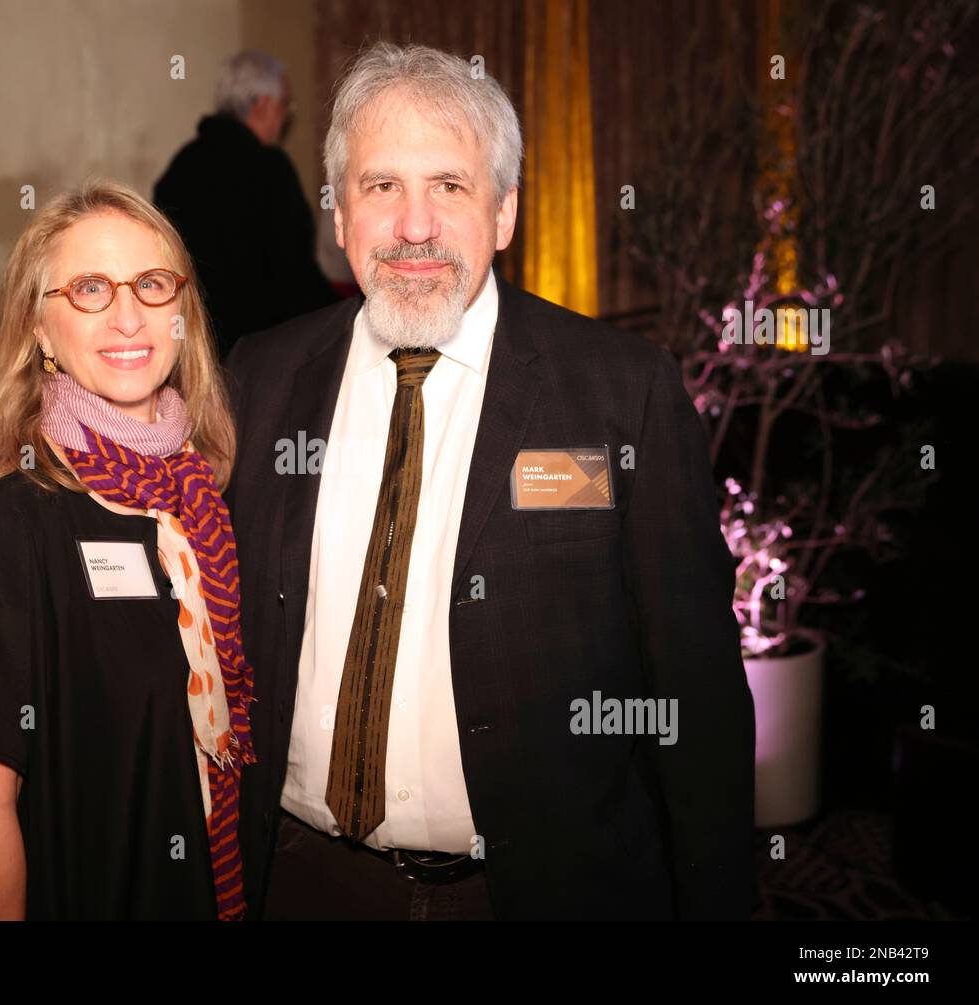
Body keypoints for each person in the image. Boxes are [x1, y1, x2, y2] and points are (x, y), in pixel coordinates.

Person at [224, 43, 755, 920]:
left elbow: (692, 694)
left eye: (450, 187)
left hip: (537, 894)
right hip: (302, 884)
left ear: (505, 212)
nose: (415, 225)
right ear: (341, 211)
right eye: (381, 186)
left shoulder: (622, 393)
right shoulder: (260, 377)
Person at [0, 180, 257, 920]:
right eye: (88, 289)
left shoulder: (207, 499)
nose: (128, 315)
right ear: (39, 330)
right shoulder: (18, 519)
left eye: (150, 283)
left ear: (182, 313)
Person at [154, 50, 337, 361]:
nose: (284, 117)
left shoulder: (180, 167)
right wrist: (341, 315)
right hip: (260, 352)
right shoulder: (269, 169)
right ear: (263, 104)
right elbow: (295, 276)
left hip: (195, 349)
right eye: (284, 106)